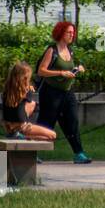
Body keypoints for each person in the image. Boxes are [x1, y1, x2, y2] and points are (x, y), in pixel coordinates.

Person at [35, 21, 92, 164]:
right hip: (50, 93)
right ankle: (31, 153)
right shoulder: (52, 50)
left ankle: (79, 153)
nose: (72, 35)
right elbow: (41, 71)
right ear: (61, 33)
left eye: (73, 32)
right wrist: (60, 72)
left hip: (67, 92)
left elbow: (68, 69)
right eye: (69, 32)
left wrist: (77, 69)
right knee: (45, 123)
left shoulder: (70, 50)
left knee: (72, 121)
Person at [1, 62, 57, 141]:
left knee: (46, 137)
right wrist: (30, 89)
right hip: (22, 126)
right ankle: (22, 137)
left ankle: (20, 136)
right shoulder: (26, 91)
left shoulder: (7, 90)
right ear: (25, 77)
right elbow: (30, 103)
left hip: (8, 126)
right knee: (53, 135)